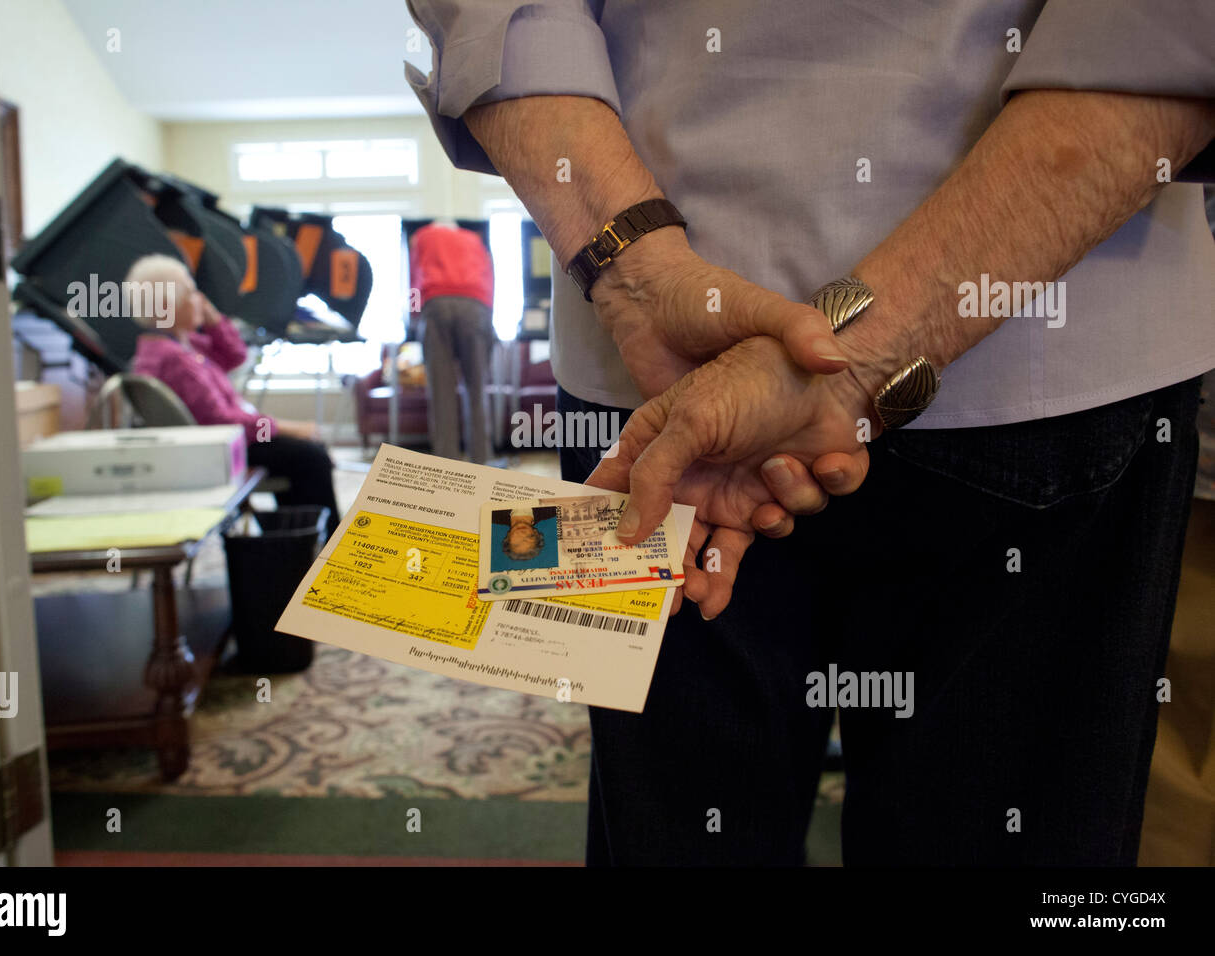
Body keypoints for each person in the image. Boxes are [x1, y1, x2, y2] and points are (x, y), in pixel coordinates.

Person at [405, 0, 1215, 865]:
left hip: (653, 381)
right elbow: (1169, 29)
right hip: (1040, 346)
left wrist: (641, 275)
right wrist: (855, 359)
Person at [126, 255, 339, 524]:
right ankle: (320, 546)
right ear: (169, 305)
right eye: (192, 292)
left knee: (304, 451)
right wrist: (287, 426)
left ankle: (299, 541)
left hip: (224, 440)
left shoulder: (180, 344)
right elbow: (221, 420)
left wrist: (214, 320)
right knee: (311, 456)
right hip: (217, 448)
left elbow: (235, 355)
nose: (201, 299)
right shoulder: (173, 358)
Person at [409, 220, 496, 463]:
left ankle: (446, 465)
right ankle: (482, 462)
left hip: (436, 303)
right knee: (477, 390)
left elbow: (415, 280)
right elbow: (489, 278)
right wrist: (487, 316)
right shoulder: (474, 240)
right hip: (476, 306)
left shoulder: (421, 237)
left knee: (441, 393)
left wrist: (415, 317)